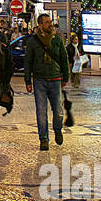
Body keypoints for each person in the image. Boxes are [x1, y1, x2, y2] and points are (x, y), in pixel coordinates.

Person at [24, 12, 70, 150]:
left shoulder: (57, 40)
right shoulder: (32, 41)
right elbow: (28, 62)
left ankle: (57, 129)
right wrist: (28, 81)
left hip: (55, 79)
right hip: (39, 80)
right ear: (40, 25)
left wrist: (66, 77)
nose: (50, 24)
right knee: (41, 111)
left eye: (50, 22)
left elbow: (63, 58)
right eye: (47, 22)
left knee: (58, 110)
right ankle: (43, 139)